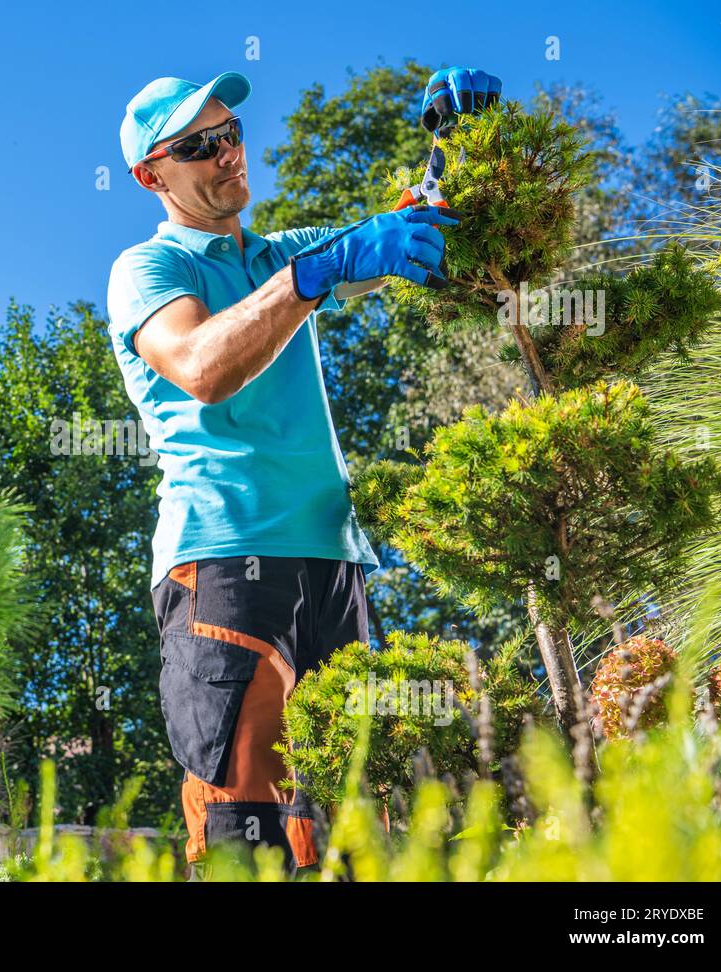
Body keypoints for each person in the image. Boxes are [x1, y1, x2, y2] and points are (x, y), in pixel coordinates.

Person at [105, 66, 500, 875]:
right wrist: (312, 276)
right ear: (152, 175)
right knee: (243, 821)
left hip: (336, 564)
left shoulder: (283, 254)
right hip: (223, 561)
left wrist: (454, 146)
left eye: (231, 134)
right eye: (197, 146)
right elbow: (202, 366)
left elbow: (417, 227)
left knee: (356, 825)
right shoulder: (150, 271)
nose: (226, 154)